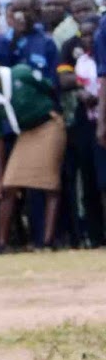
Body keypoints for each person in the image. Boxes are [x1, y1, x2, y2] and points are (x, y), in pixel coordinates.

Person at [0, 54, 65, 249]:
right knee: (8, 186)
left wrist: (57, 114)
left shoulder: (20, 73)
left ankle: (48, 241)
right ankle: (2, 243)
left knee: (49, 184)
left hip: (48, 124)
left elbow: (48, 87)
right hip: (25, 134)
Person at [59, 14, 103, 246]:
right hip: (85, 122)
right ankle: (95, 236)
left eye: (92, 33)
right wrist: (81, 89)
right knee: (89, 178)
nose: (88, 38)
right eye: (83, 35)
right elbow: (63, 80)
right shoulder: (81, 60)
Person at [0, 3, 59, 87]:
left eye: (25, 10)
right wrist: (15, 38)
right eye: (16, 11)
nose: (20, 16)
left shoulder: (46, 42)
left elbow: (54, 78)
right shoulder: (3, 41)